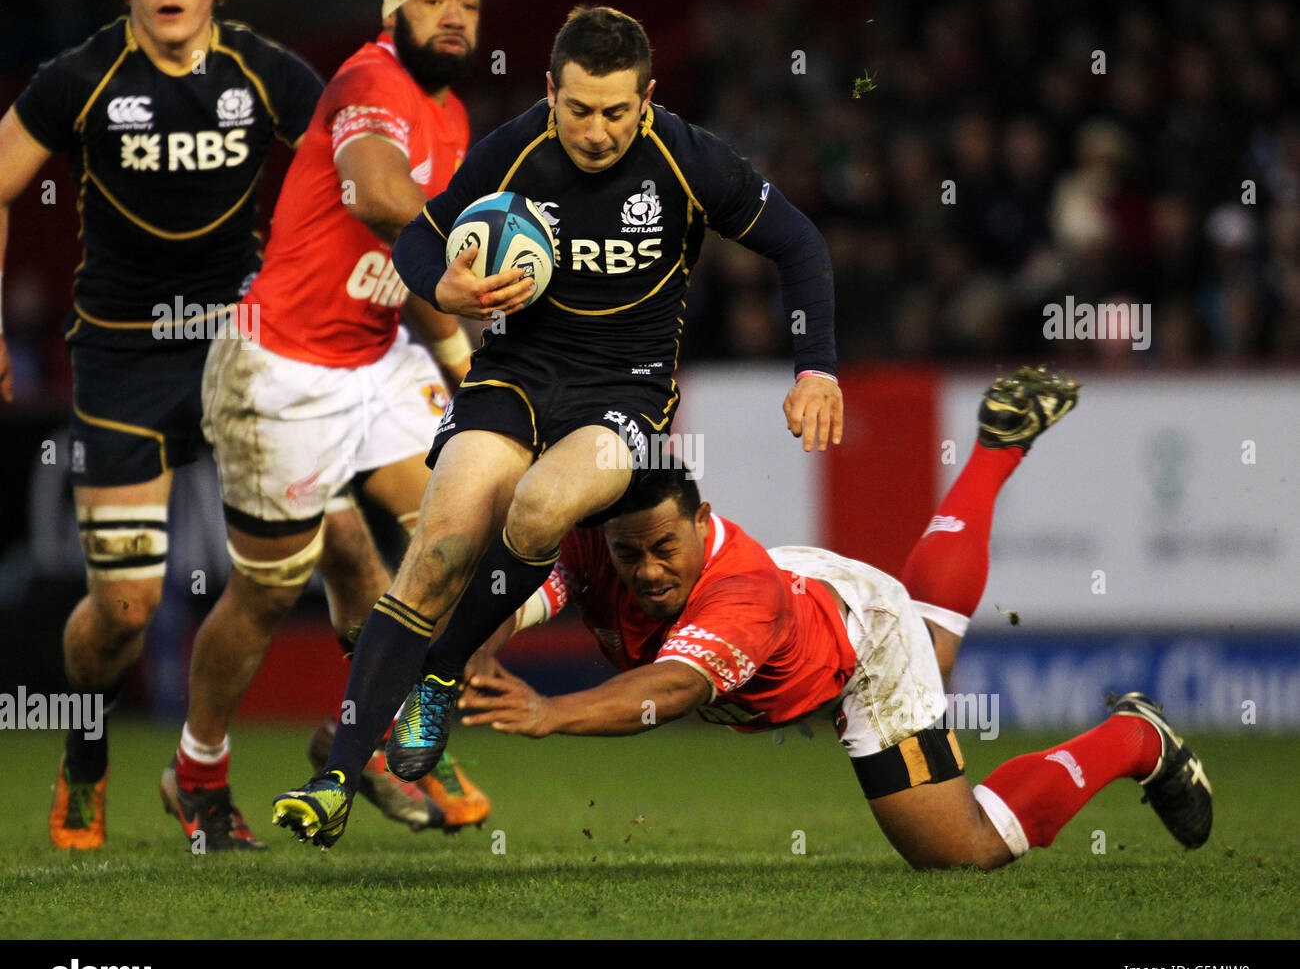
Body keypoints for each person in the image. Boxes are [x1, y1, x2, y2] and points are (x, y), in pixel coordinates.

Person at [270, 5, 846, 838]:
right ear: (551, 91)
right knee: (436, 551)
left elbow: (799, 246)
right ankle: (335, 778)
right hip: (516, 376)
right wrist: (448, 290)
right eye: (579, 109)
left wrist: (816, 368)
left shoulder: (687, 160)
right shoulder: (515, 149)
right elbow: (417, 241)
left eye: (617, 111)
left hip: (628, 391)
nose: (598, 131)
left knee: (541, 506)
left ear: (646, 100)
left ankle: (437, 676)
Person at [278, 367, 1213, 865]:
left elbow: (676, 689)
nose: (644, 571)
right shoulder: (602, 548)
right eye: (628, 553)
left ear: (699, 517)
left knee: (961, 848)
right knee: (934, 627)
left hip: (858, 652)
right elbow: (508, 599)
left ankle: (1134, 738)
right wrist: (452, 665)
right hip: (815, 594)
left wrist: (552, 711)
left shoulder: (739, 593)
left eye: (662, 550)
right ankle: (994, 459)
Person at [162, 0, 492, 850]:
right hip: (283, 369)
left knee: (453, 536)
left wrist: (460, 357)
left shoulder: (451, 116)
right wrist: (470, 260)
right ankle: (196, 773)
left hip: (378, 357)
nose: (455, 15)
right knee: (270, 588)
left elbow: (415, 263)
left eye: (469, 3)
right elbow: (378, 197)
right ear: (394, 14)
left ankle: (363, 741)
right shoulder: (367, 82)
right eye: (434, 0)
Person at [0, 0, 328, 850]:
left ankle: (213, 776)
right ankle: (85, 754)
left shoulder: (268, 74)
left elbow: (354, 169)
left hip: (239, 354)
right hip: (120, 362)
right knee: (127, 609)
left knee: (281, 573)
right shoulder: (79, 76)